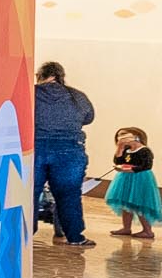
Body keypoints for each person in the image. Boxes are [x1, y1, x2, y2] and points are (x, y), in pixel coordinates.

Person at [33, 60, 96, 249]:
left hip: (36, 147)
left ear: (43, 76)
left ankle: (25, 236)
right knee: (69, 195)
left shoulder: (32, 92)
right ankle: (75, 237)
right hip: (70, 150)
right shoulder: (77, 96)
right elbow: (89, 117)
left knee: (29, 193)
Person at [108, 125, 159, 241]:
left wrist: (128, 169)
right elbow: (118, 160)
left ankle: (147, 230)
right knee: (125, 204)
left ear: (136, 137)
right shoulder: (126, 150)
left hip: (139, 179)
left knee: (139, 204)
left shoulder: (144, 150)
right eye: (119, 136)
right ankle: (126, 228)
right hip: (126, 178)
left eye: (124, 135)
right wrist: (119, 148)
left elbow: (146, 166)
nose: (121, 138)